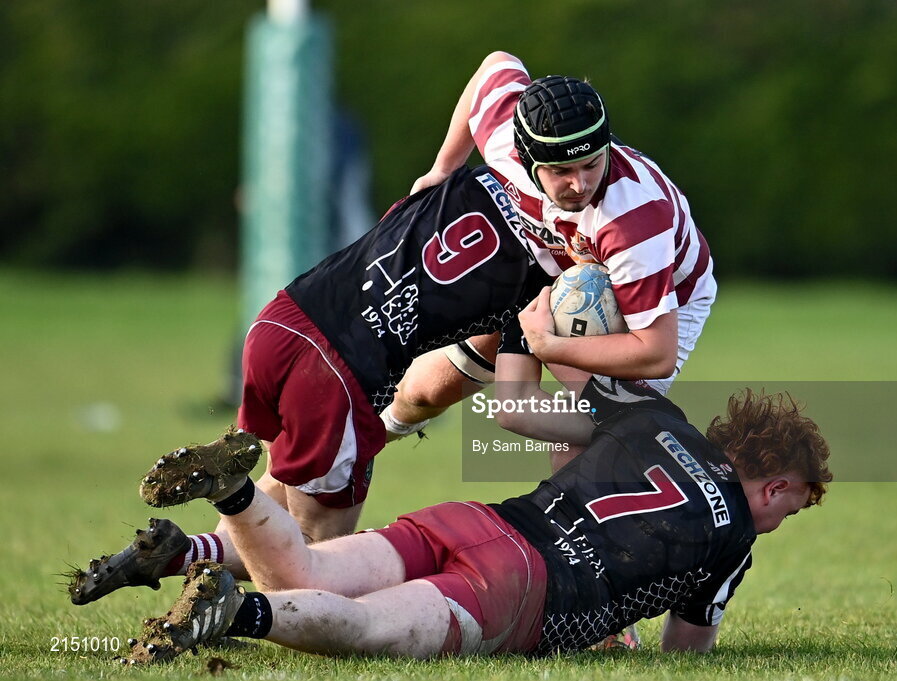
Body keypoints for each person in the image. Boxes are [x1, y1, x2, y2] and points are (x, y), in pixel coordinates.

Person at [65, 165, 552, 606]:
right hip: (335, 377)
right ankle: (227, 593)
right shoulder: (544, 275)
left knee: (275, 505)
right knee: (315, 574)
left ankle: (181, 556)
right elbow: (469, 399)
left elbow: (497, 66)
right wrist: (602, 422)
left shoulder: (467, 179)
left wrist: (443, 164)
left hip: (279, 323)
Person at [107, 375, 831, 664]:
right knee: (365, 630)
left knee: (311, 570)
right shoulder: (734, 531)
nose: (781, 517)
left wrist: (526, 322)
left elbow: (517, 408)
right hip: (520, 586)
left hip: (481, 518)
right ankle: (232, 610)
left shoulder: (654, 416)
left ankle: (236, 491)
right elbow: (687, 648)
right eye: (793, 506)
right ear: (774, 486)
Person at [386, 51, 717, 437]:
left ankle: (650, 444)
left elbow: (655, 351)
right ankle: (376, 436)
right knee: (424, 392)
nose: (579, 184)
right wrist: (443, 168)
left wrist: (548, 346)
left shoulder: (633, 223)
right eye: (561, 171)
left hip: (652, 302)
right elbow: (495, 66)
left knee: (574, 427)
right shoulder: (506, 148)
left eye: (592, 164)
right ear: (527, 161)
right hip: (551, 269)